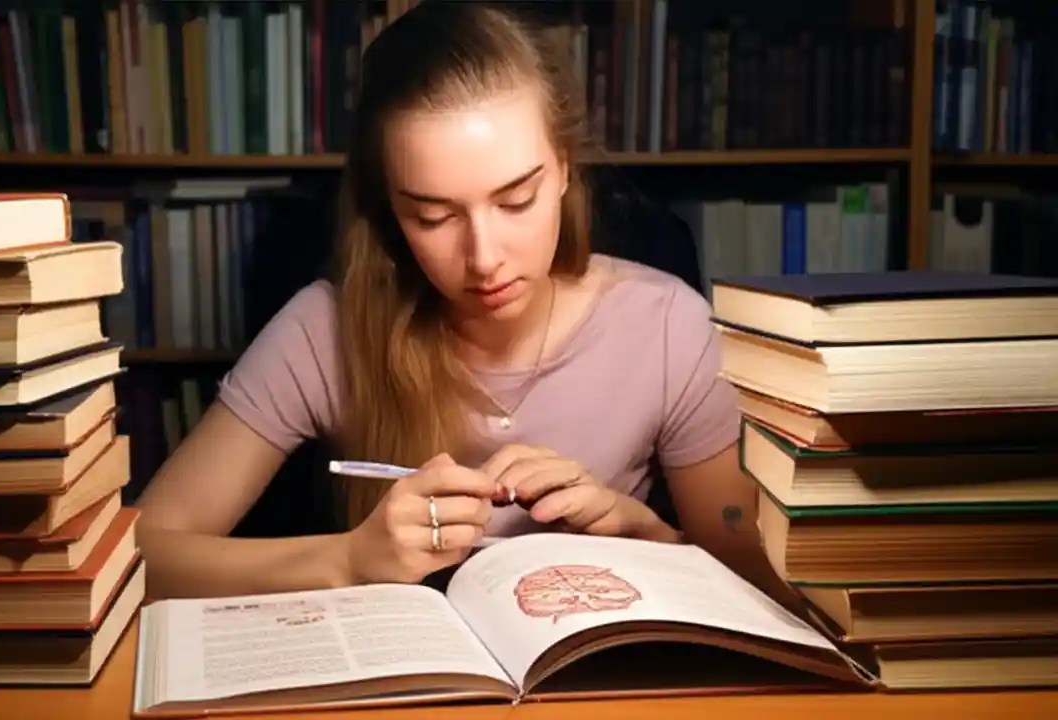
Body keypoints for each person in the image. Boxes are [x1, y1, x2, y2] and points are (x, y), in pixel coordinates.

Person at [135, 0, 800, 613]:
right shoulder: (325, 328)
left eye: (516, 201)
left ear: (564, 168)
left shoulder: (664, 325)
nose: (484, 258)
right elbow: (142, 557)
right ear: (390, 212)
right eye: (432, 216)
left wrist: (643, 531)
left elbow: (765, 588)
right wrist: (347, 558)